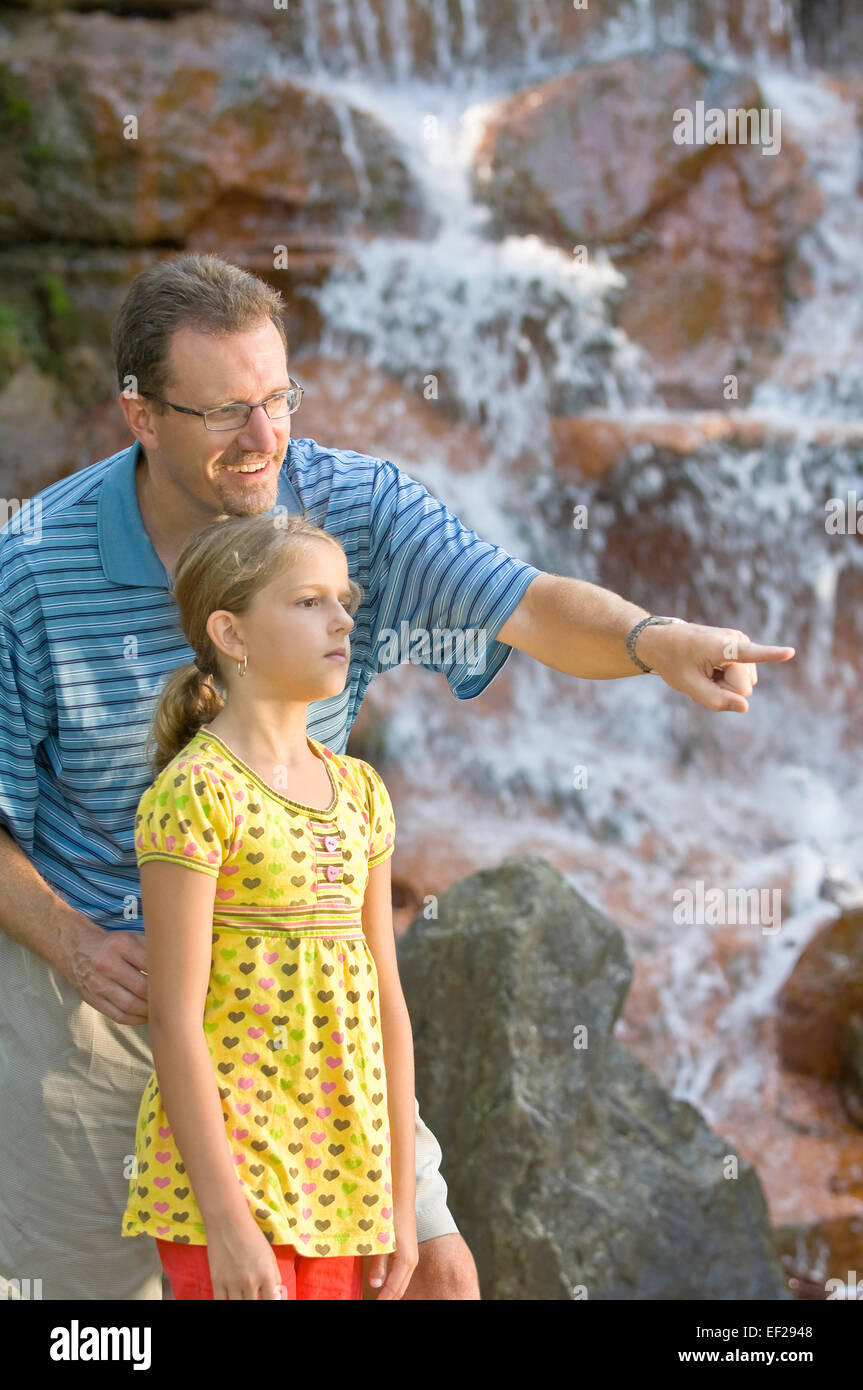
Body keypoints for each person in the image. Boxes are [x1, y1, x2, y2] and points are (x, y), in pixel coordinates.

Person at [0, 254, 793, 1302]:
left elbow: (522, 603)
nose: (265, 436)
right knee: (99, 1327)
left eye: (278, 397)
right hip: (99, 1011)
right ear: (140, 416)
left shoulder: (354, 508)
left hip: (306, 1016)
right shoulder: (34, 564)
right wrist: (76, 943)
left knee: (435, 1275)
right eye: (227, 410)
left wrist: (652, 638)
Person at [121, 510, 417, 1300]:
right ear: (232, 632)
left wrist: (404, 1201)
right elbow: (174, 1017)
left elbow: (387, 997)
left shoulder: (360, 793)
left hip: (345, 1179)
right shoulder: (195, 793)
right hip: (227, 1189)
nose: (343, 619)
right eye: (309, 601)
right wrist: (226, 1222)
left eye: (343, 600)